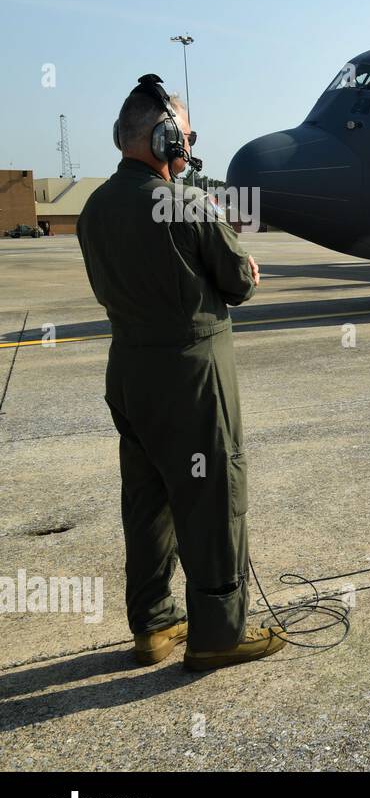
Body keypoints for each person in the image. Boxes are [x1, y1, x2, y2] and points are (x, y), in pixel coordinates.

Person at [77, 74, 285, 672]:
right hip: (192, 376)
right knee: (214, 499)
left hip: (129, 372)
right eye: (187, 135)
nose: (190, 146)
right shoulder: (187, 202)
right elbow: (239, 281)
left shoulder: (94, 208)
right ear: (165, 137)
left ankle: (153, 624)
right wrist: (245, 264)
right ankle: (219, 631)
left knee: (147, 503)